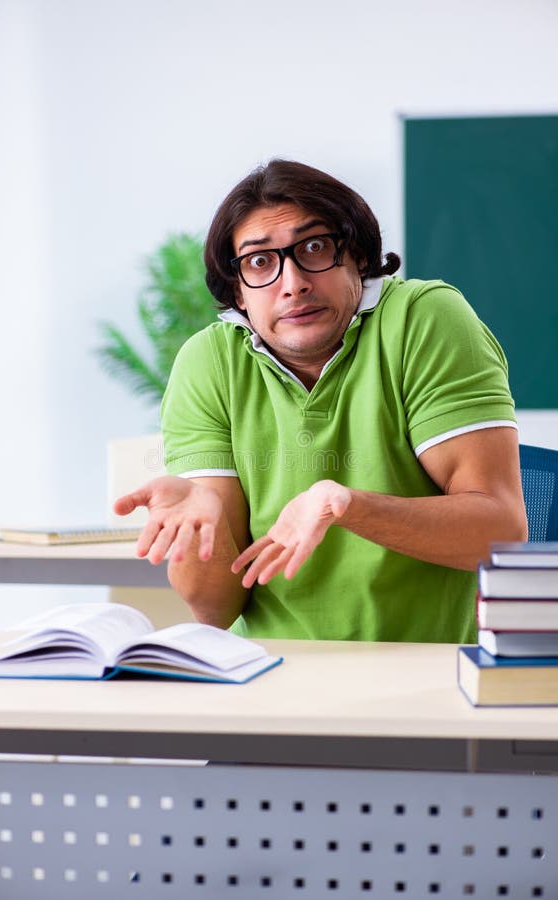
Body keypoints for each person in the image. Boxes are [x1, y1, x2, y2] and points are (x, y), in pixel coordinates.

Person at [114, 159, 527, 643]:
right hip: (271, 678)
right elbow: (215, 610)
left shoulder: (424, 319)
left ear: (356, 256)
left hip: (430, 675)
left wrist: (347, 505)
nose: (292, 283)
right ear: (239, 292)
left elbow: (500, 530)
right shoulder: (208, 362)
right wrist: (203, 532)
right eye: (260, 262)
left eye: (314, 247)